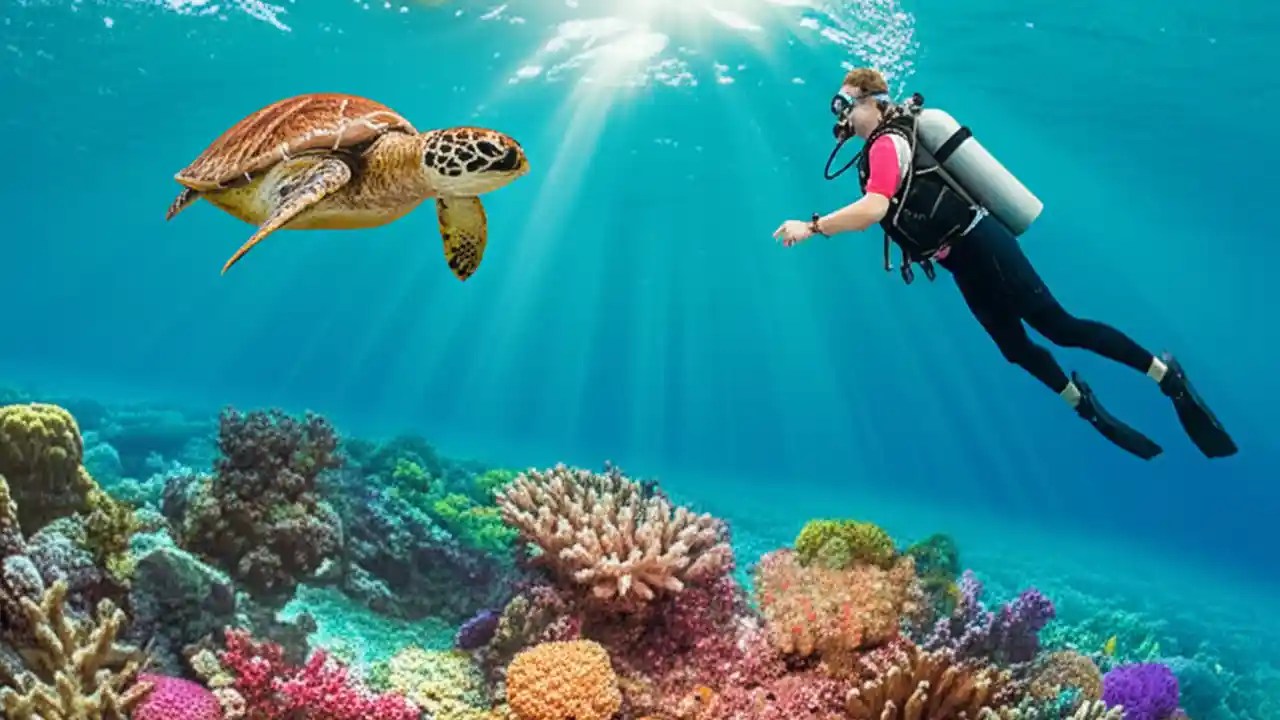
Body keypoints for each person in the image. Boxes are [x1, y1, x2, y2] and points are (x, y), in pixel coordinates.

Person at [772, 67, 1236, 460]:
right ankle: (1085, 407)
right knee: (1014, 349)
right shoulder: (881, 147)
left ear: (872, 103)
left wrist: (811, 227)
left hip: (981, 245)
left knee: (1059, 327)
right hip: (960, 260)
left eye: (845, 104)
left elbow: (874, 209)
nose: (842, 117)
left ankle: (1165, 375)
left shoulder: (886, 144)